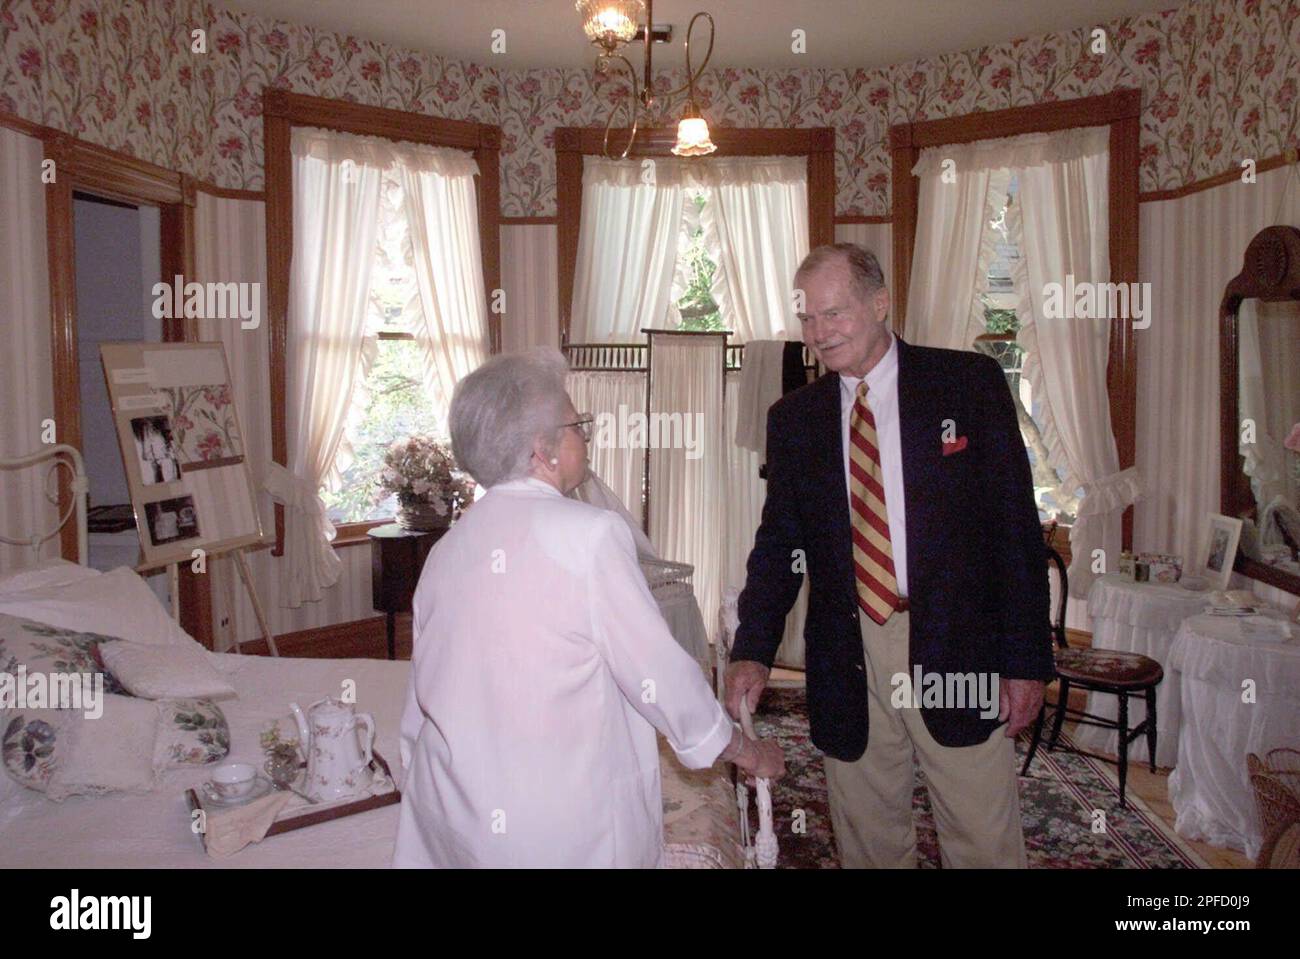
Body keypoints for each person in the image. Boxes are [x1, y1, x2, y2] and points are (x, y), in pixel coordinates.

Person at [726, 244, 1051, 868]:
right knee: (869, 837)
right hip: (850, 652)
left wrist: (1026, 662)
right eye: (809, 318)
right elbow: (778, 545)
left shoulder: (968, 385)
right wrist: (752, 648)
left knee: (983, 835)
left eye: (835, 313)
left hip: (959, 643)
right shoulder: (794, 420)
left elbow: (1014, 530)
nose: (820, 333)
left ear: (880, 303)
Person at [394, 348, 783, 868]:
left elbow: (420, 709)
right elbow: (660, 677)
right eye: (578, 424)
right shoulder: (589, 536)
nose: (586, 435)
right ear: (544, 450)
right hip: (559, 832)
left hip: (455, 817)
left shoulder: (447, 550)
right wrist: (743, 750)